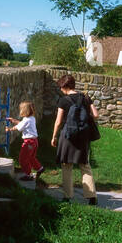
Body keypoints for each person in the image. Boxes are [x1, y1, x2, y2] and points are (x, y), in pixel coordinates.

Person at [51, 74, 99, 205]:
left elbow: (58, 121)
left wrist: (54, 136)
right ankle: (92, 196)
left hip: (68, 136)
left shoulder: (63, 101)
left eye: (61, 87)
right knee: (85, 165)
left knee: (67, 165)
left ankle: (68, 196)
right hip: (83, 136)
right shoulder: (85, 97)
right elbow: (95, 115)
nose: (60, 89)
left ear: (65, 86)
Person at [6, 101, 45, 182]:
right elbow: (22, 124)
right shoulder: (31, 118)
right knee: (31, 157)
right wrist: (14, 120)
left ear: (24, 111)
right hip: (34, 141)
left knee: (23, 159)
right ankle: (40, 168)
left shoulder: (26, 120)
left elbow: (19, 127)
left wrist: (9, 129)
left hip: (29, 143)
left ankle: (28, 175)